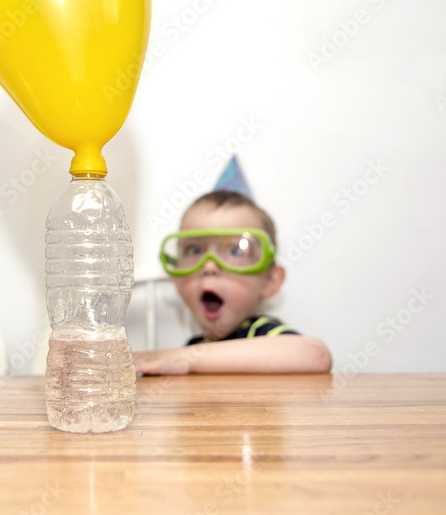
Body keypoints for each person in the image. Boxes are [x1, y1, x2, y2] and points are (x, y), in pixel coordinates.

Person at [132, 159, 331, 375]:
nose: (209, 266)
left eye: (236, 250)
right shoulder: (192, 350)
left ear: (269, 281)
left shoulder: (262, 332)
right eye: (194, 251)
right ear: (177, 281)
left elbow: (315, 355)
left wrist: (174, 357)